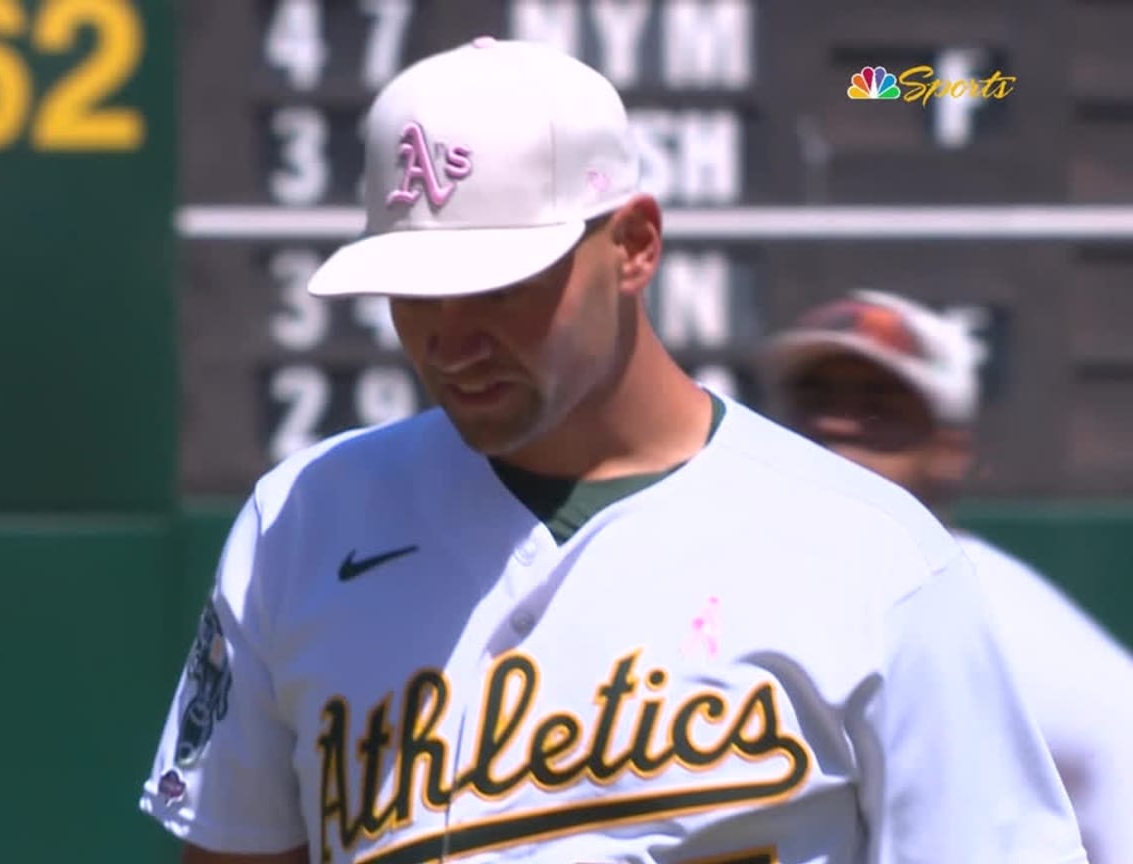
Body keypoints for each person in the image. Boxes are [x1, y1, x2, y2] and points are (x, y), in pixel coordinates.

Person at [139, 38, 1087, 864]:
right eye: (414, 289)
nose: (448, 336)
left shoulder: (874, 556)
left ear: (633, 244)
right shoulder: (301, 522)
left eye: (500, 284)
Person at [758, 288, 1133, 864]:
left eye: (879, 403)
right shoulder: (737, 586)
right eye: (814, 397)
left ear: (949, 448)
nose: (834, 421)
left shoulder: (998, 614)